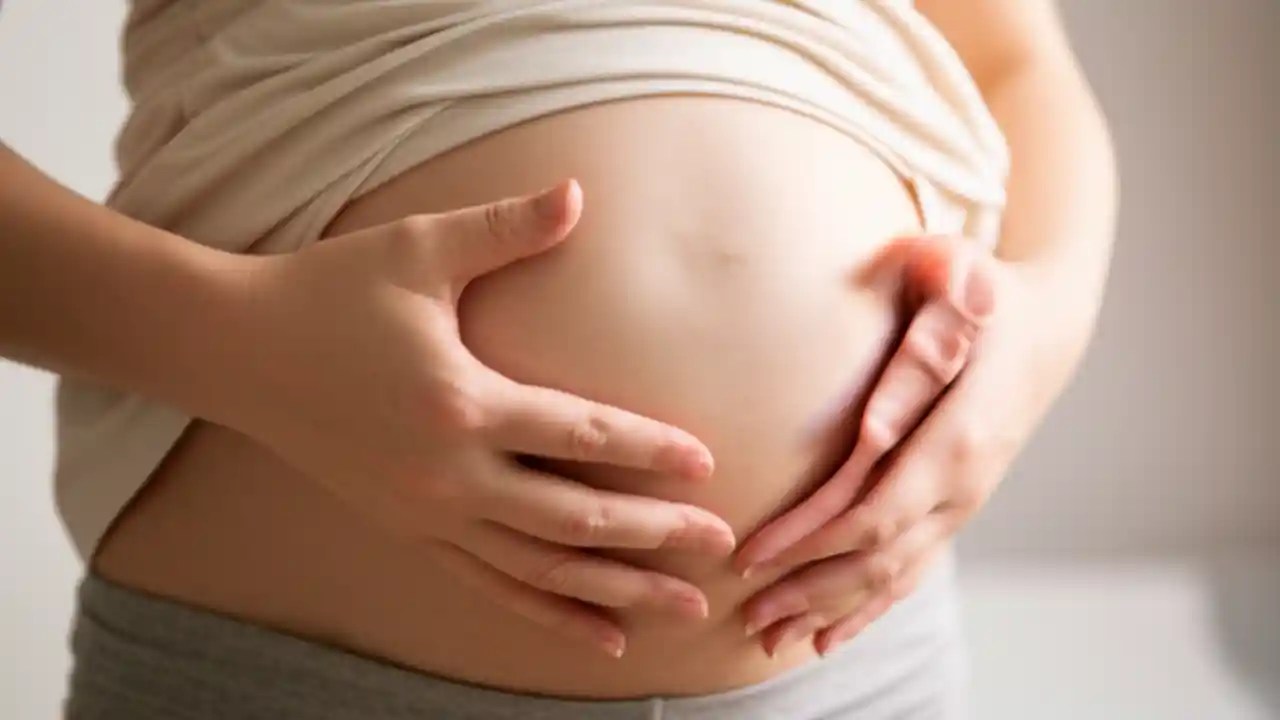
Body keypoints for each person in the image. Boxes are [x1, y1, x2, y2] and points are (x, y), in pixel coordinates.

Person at [1, 0, 1116, 717]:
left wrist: (1042, 334)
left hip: (854, 670)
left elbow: (1014, 56)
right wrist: (245, 349)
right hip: (290, 664)